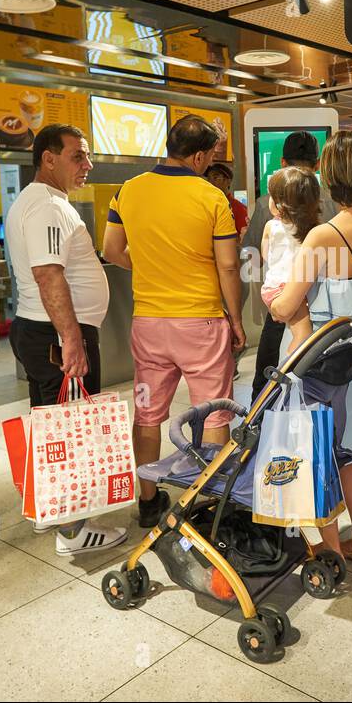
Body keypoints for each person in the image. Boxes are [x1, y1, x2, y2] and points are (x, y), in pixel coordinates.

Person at [102, 115, 245, 528]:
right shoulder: (212, 198)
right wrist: (235, 320)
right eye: (211, 156)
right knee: (215, 414)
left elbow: (112, 249)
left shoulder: (128, 190)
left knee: (147, 412)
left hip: (148, 323)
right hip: (200, 323)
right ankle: (210, 503)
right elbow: (229, 266)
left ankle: (148, 501)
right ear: (199, 155)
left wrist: (148, 269)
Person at [270, 130, 352, 569]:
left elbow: (287, 305)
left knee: (317, 446)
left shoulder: (323, 236)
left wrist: (275, 297)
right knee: (347, 448)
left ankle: (327, 548)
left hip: (325, 359)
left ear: (328, 174)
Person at [4, 123, 124, 556]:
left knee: (51, 425)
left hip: (42, 330)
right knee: (72, 429)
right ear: (48, 159)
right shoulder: (46, 207)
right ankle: (74, 532)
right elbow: (47, 273)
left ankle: (48, 509)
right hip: (56, 335)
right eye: (78, 156)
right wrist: (72, 339)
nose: (87, 164)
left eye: (88, 156)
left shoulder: (45, 202)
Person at [241, 130, 337, 402]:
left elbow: (254, 254)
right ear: (318, 164)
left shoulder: (266, 204)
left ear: (282, 162)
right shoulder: (329, 201)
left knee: (269, 364)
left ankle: (261, 415)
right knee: (313, 364)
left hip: (280, 295)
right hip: (320, 298)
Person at [260, 166, 319, 350]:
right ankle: (290, 373)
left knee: (297, 332)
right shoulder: (312, 230)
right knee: (303, 333)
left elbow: (265, 254)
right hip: (287, 290)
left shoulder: (271, 226)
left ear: (280, 204)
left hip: (274, 288)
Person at [204, 161, 248, 237]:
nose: (210, 182)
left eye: (215, 178)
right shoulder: (206, 205)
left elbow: (245, 237)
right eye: (208, 178)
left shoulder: (238, 208)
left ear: (228, 181)